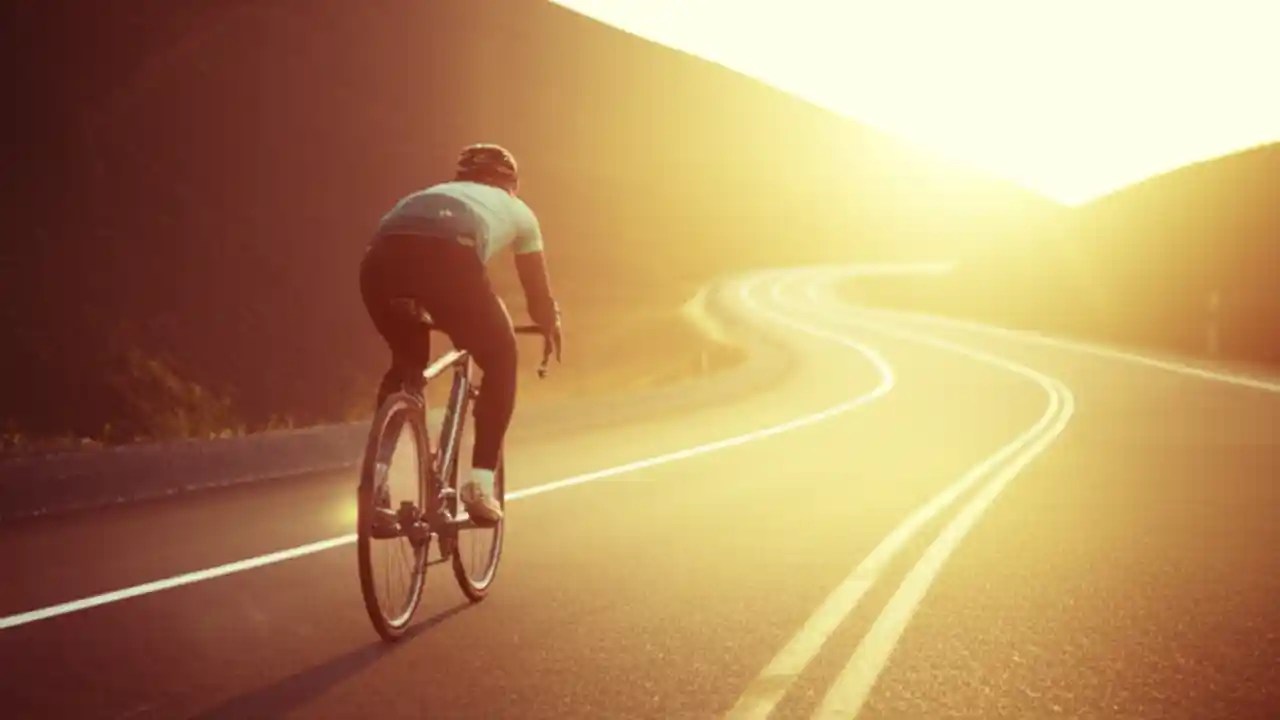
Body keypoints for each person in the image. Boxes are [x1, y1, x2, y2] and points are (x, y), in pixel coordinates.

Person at [360, 143, 562, 525]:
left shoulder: (430, 194)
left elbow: (395, 241)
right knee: (501, 358)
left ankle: (378, 488)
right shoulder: (519, 211)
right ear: (511, 183)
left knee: (406, 366)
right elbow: (537, 293)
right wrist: (549, 324)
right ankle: (480, 485)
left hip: (379, 263)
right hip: (448, 261)